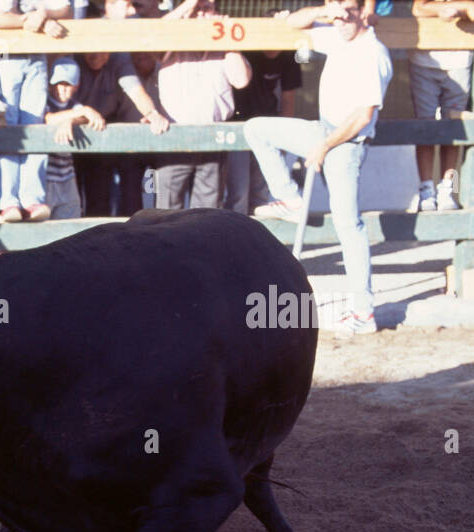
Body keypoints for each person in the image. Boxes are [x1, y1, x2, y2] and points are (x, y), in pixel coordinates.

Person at [245, 0, 392, 335]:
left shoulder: (373, 52)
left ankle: (363, 312)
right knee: (256, 129)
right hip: (322, 129)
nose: (341, 19)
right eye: (337, 11)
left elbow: (363, 116)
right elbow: (294, 23)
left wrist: (323, 147)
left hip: (346, 144)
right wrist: (325, 13)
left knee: (347, 224)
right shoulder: (337, 33)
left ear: (362, 12)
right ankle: (291, 200)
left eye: (348, 11)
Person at [154, 0, 250, 210]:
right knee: (166, 213)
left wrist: (227, 38)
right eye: (196, 9)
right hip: (173, 137)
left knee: (207, 216)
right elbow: (156, 32)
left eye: (207, 9)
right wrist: (190, 4)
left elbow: (241, 80)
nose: (201, 15)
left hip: (213, 138)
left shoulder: (224, 48)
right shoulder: (172, 41)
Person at [0, 0, 69, 223]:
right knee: (8, 123)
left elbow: (65, 7)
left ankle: (32, 198)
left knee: (35, 124)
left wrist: (43, 14)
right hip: (4, 50)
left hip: (37, 54)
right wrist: (30, 19)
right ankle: (7, 202)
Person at [409, 1, 474, 211]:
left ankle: (448, 189)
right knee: (424, 127)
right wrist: (442, 9)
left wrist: (468, 8)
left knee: (455, 129)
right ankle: (426, 189)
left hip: (460, 59)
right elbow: (419, 7)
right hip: (425, 60)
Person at [72, 48, 168, 216]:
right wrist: (75, 116)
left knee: (100, 199)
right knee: (72, 200)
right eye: (90, 51)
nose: (95, 55)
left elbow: (135, 91)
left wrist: (152, 114)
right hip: (72, 133)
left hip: (102, 134)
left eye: (102, 51)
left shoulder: (119, 60)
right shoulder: (73, 58)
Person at [225, 49, 301, 214]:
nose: (273, 49)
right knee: (238, 193)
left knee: (260, 195)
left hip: (268, 128)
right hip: (238, 126)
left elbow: (289, 100)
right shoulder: (247, 51)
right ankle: (234, 236)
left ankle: (255, 238)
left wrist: (283, 139)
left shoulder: (288, 56)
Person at [44, 58, 105, 220]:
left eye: (67, 84)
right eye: (57, 83)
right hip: (45, 177)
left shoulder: (75, 106)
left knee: (70, 225)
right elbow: (48, 118)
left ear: (76, 86)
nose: (61, 89)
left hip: (67, 176)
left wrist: (70, 120)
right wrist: (81, 112)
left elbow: (89, 119)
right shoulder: (45, 103)